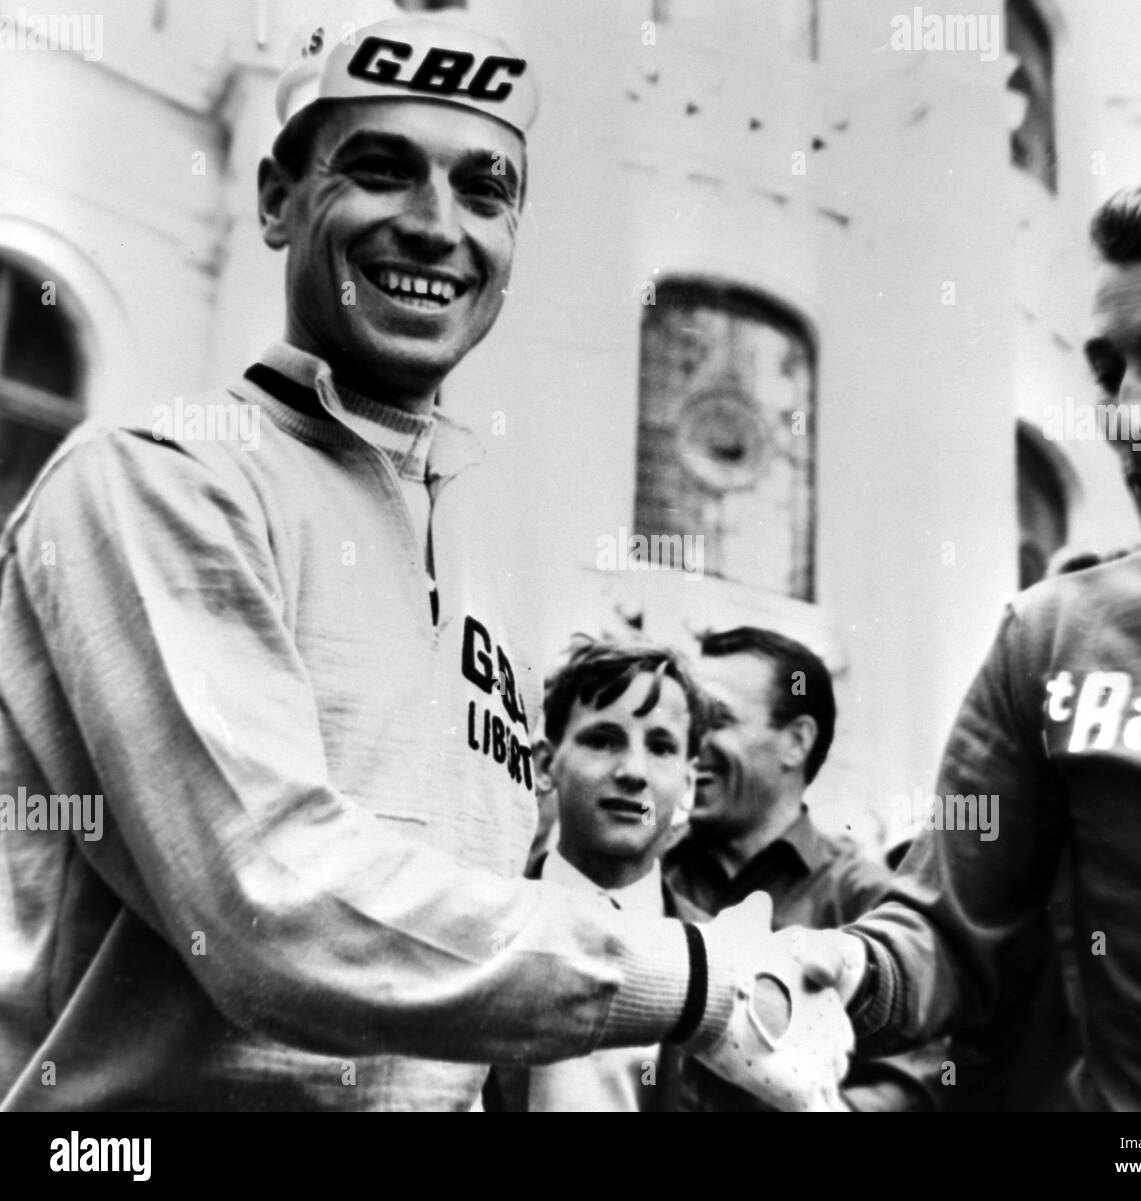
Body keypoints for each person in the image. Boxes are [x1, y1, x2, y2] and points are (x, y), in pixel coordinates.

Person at [0, 10, 851, 1112]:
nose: (434, 226)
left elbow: (466, 959)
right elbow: (276, 907)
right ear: (276, 198)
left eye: (483, 189)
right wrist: (699, 981)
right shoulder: (161, 481)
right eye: (380, 171)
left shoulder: (473, 562)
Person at [805, 167, 1141, 1112]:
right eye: (1109, 371)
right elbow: (945, 930)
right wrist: (833, 965)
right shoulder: (1053, 629)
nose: (1123, 417)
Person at [663, 626, 942, 1111]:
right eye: (689, 719)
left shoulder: (870, 903)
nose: (691, 742)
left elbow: (912, 1083)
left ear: (797, 741)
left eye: (717, 718)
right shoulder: (653, 876)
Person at [486, 637, 714, 1111]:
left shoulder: (715, 955)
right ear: (546, 764)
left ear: (688, 785)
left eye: (660, 747)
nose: (632, 771)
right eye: (603, 740)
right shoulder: (488, 916)